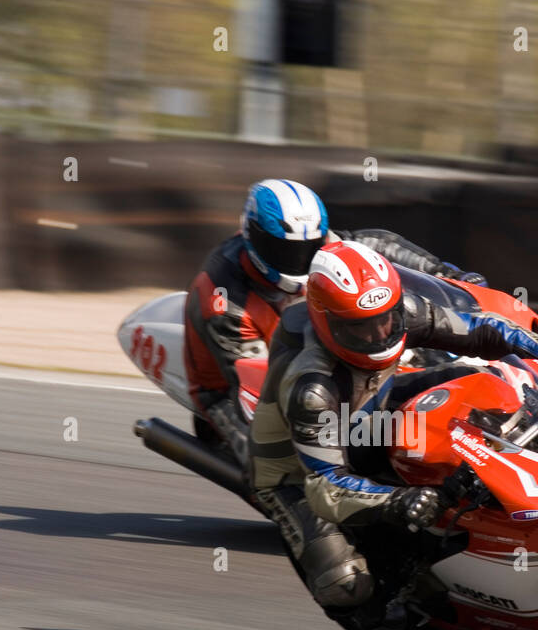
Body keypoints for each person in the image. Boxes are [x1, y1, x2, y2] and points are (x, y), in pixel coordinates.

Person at [249, 239, 538, 630]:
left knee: (480, 381)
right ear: (325, 321)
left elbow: (482, 329)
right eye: (359, 327)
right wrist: (398, 500)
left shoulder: (398, 312)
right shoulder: (312, 388)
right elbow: (324, 485)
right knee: (346, 584)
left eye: (387, 318)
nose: (379, 333)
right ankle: (380, 601)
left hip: (370, 407)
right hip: (299, 470)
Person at [183, 179, 484, 466]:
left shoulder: (326, 247)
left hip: (319, 343)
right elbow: (262, 388)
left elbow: (376, 244)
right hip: (231, 389)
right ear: (253, 234)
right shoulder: (225, 299)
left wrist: (447, 275)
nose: (298, 258)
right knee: (276, 457)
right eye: (283, 248)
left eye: (308, 246)